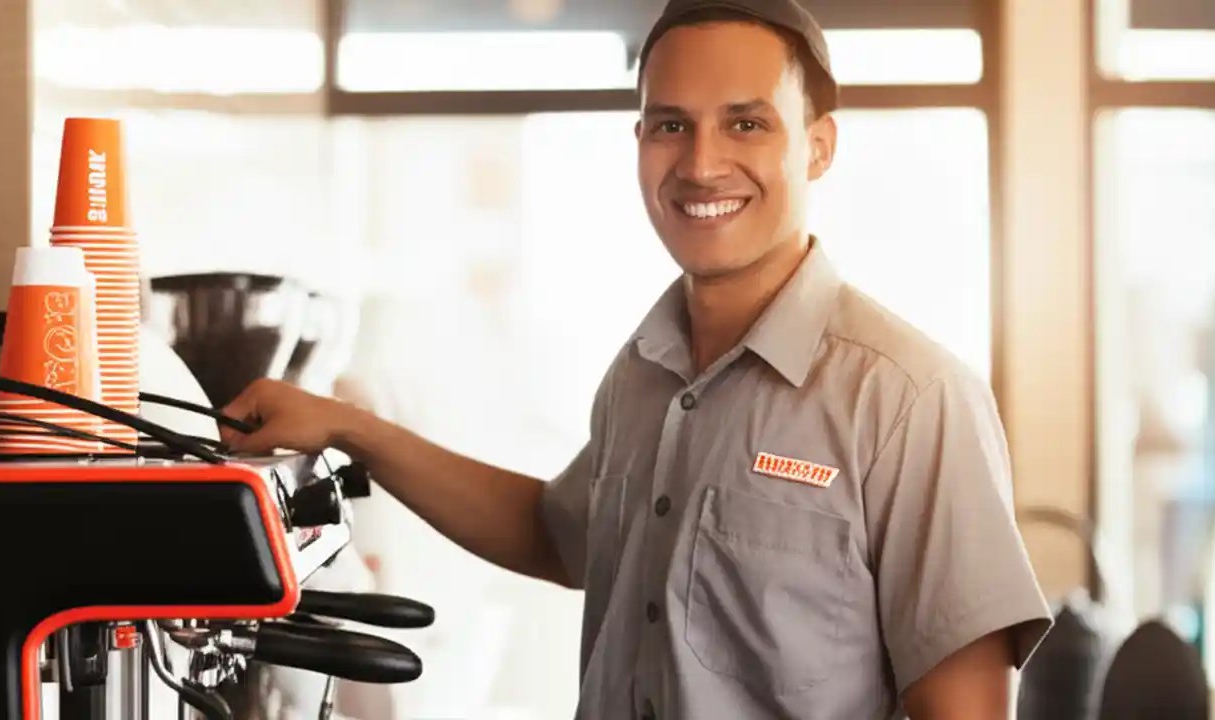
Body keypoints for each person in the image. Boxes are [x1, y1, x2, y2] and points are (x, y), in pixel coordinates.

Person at [220, 0, 1053, 717]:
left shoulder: (910, 398)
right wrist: (347, 429)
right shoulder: (643, 374)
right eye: (670, 125)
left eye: (747, 122)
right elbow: (557, 536)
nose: (700, 163)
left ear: (819, 146)